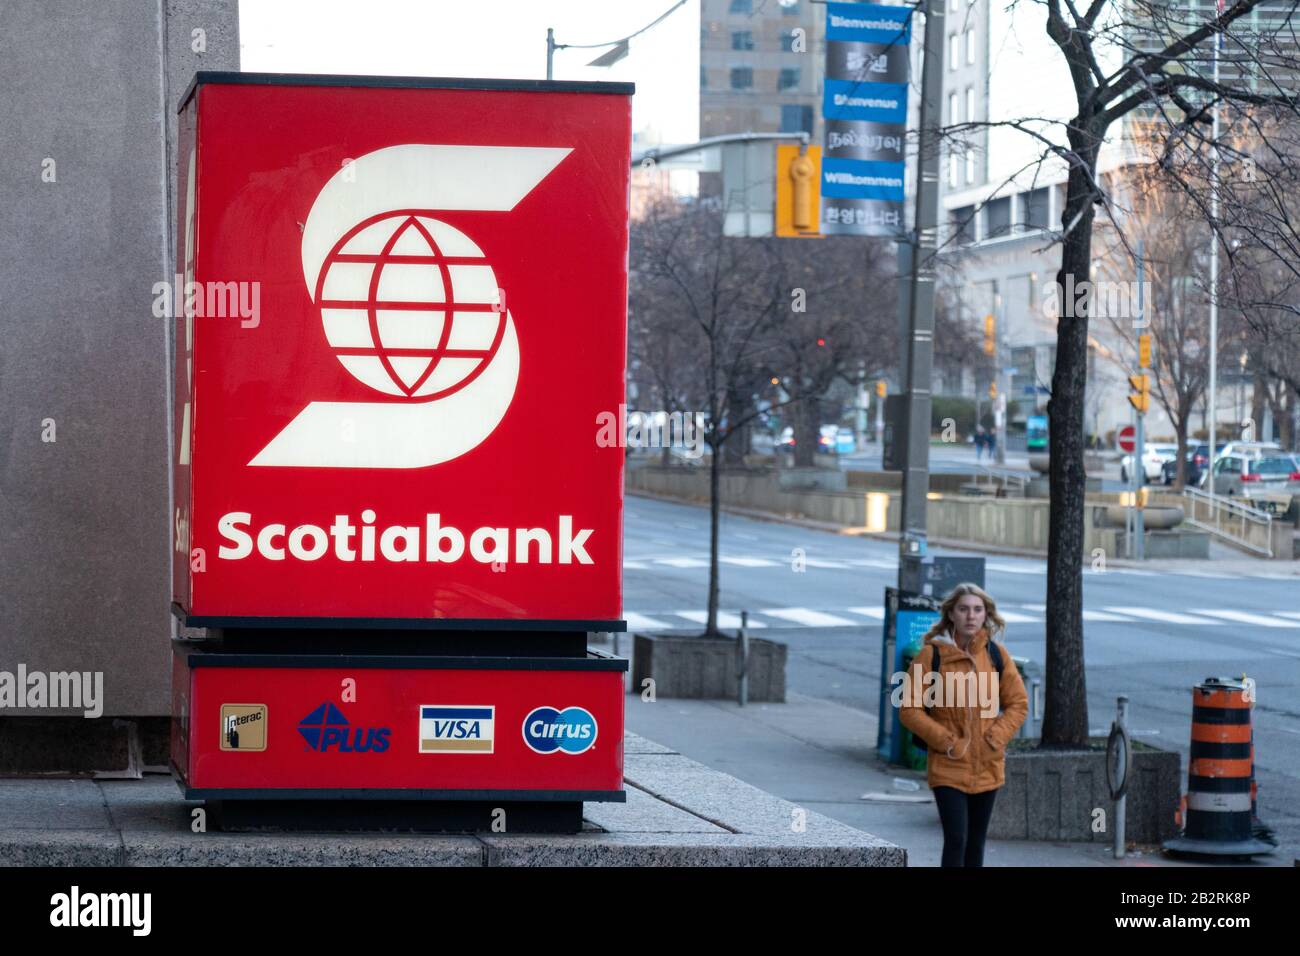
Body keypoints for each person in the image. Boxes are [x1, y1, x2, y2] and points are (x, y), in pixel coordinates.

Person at [899, 583, 1028, 866]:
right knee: (957, 839)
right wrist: (945, 741)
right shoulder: (931, 655)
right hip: (948, 764)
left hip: (988, 763)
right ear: (951, 615)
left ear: (986, 615)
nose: (971, 616)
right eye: (964, 609)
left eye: (977, 610)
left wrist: (995, 737)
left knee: (975, 844)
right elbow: (909, 708)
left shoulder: (996, 655)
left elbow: (1018, 703)